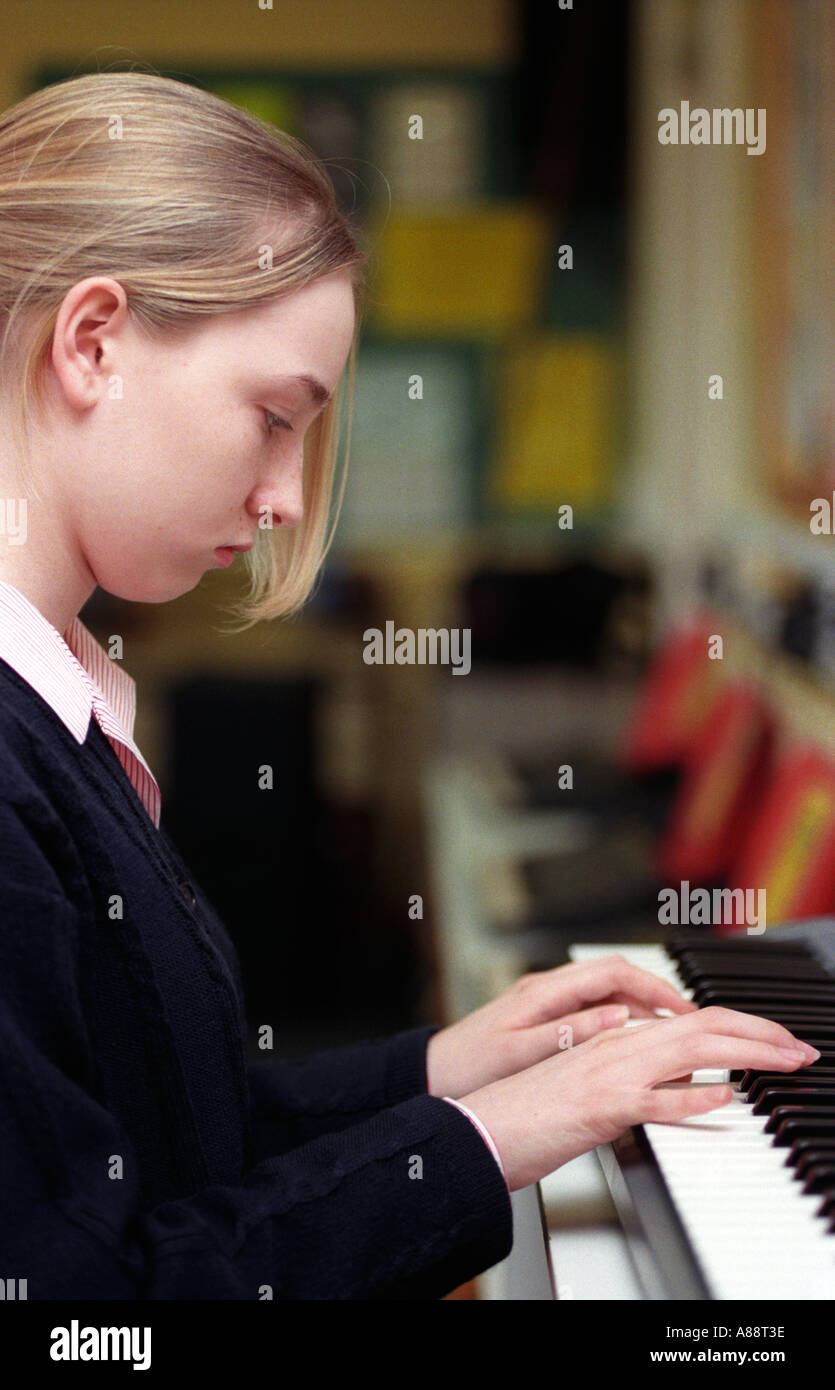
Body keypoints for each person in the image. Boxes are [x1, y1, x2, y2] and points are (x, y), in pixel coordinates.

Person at [0, 69, 817, 1301]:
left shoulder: (57, 710)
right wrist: (491, 1140)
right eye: (276, 416)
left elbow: (165, 1145)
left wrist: (444, 1069)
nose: (283, 500)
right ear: (94, 342)